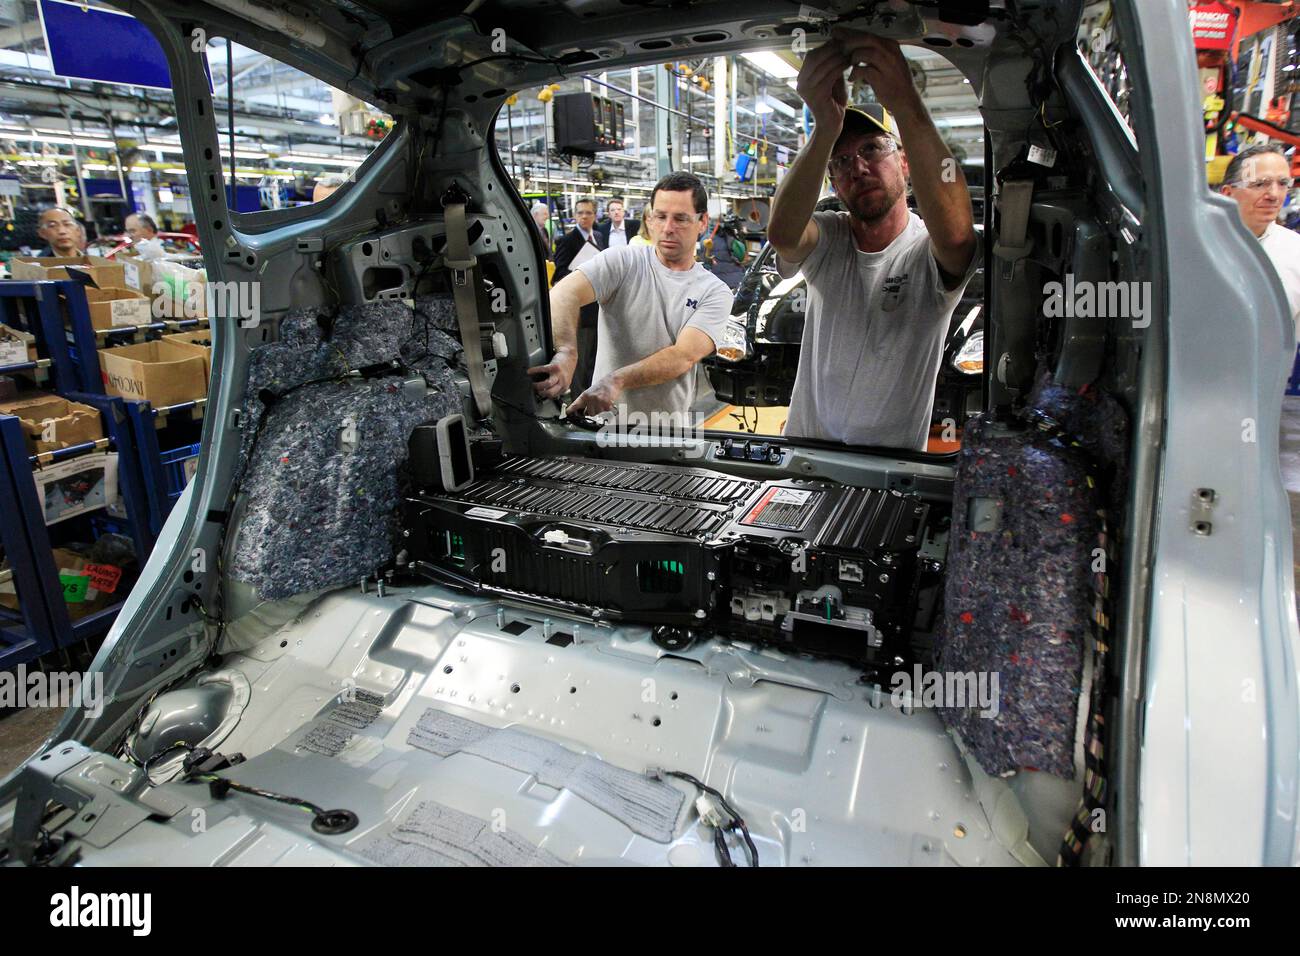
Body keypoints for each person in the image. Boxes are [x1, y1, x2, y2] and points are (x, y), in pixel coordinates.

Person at [768, 29, 977, 451]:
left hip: (888, 473)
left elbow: (956, 236)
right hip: (806, 457)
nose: (857, 167)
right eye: (841, 161)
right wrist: (825, 127)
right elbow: (783, 233)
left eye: (871, 149)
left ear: (904, 160)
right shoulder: (829, 239)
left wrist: (904, 100)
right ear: (834, 182)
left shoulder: (925, 250)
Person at [529, 172, 731, 422]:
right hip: (603, 427)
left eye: (680, 219)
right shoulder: (623, 261)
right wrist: (567, 352)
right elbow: (563, 293)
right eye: (660, 216)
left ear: (702, 223)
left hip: (665, 433)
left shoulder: (714, 291)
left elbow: (683, 356)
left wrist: (616, 380)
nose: (667, 228)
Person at [1219, 143, 1300, 336]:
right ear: (1228, 193)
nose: (1273, 195)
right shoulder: (1196, 245)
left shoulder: (1295, 252)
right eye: (1260, 184)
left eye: (1282, 184)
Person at [551, 197, 606, 394]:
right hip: (578, 310)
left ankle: (592, 394)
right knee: (580, 357)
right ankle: (577, 400)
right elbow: (558, 276)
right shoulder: (566, 241)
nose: (584, 216)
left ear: (595, 215)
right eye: (580, 213)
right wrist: (580, 274)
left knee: (595, 356)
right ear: (574, 216)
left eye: (588, 213)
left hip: (598, 307)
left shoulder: (599, 237)